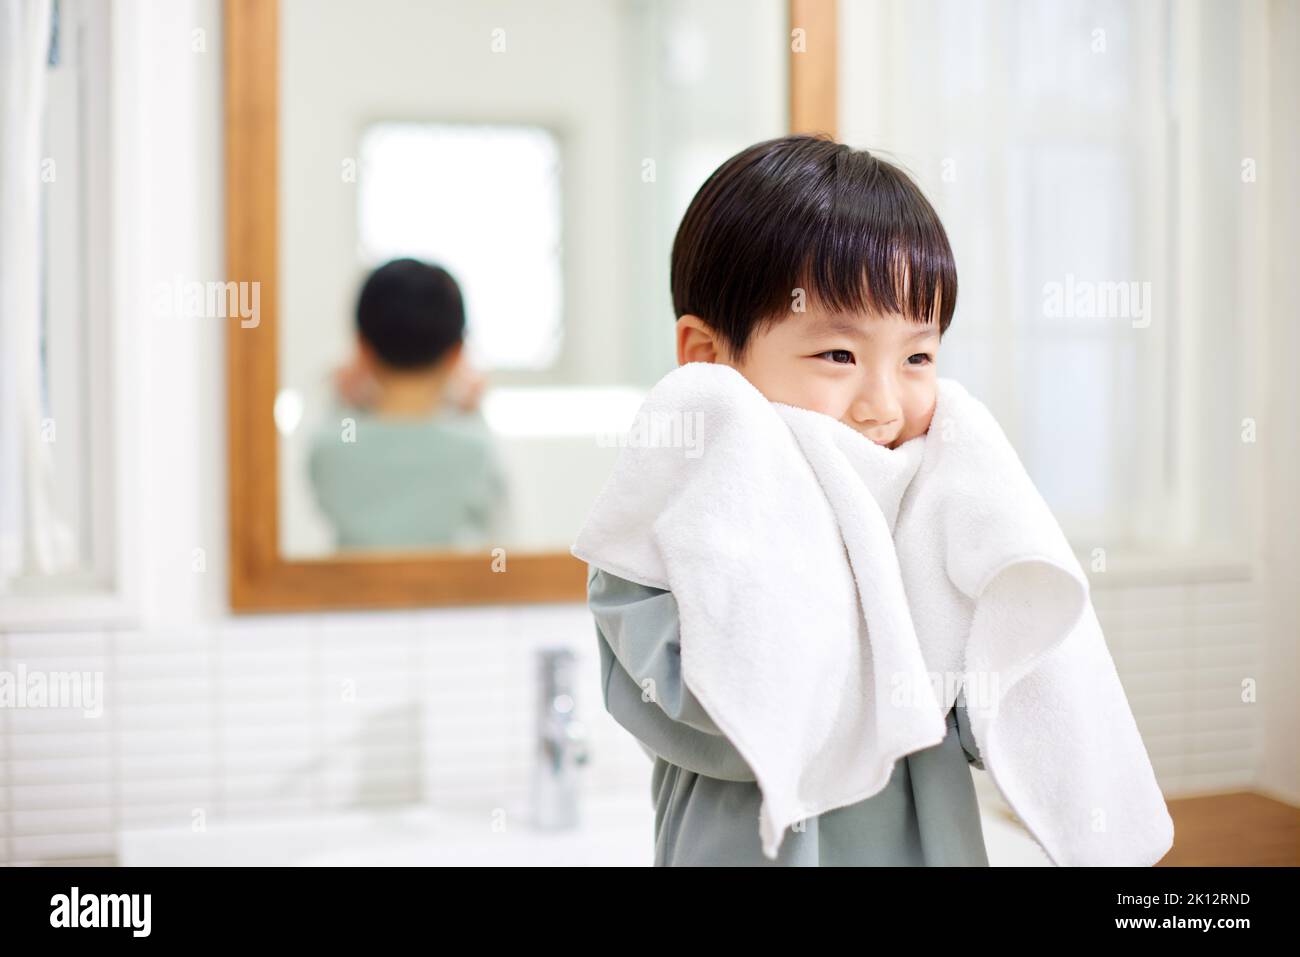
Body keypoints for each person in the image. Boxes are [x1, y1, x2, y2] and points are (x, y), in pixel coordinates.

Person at [586, 134, 989, 865]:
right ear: (709, 360)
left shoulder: (929, 516)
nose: (882, 405)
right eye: (838, 354)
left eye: (918, 357)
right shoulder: (655, 538)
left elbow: (985, 718)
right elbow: (716, 720)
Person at [307, 258, 509, 550]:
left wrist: (339, 400)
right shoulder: (476, 451)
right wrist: (473, 410)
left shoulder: (330, 449)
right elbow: (500, 521)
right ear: (456, 353)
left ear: (362, 348)